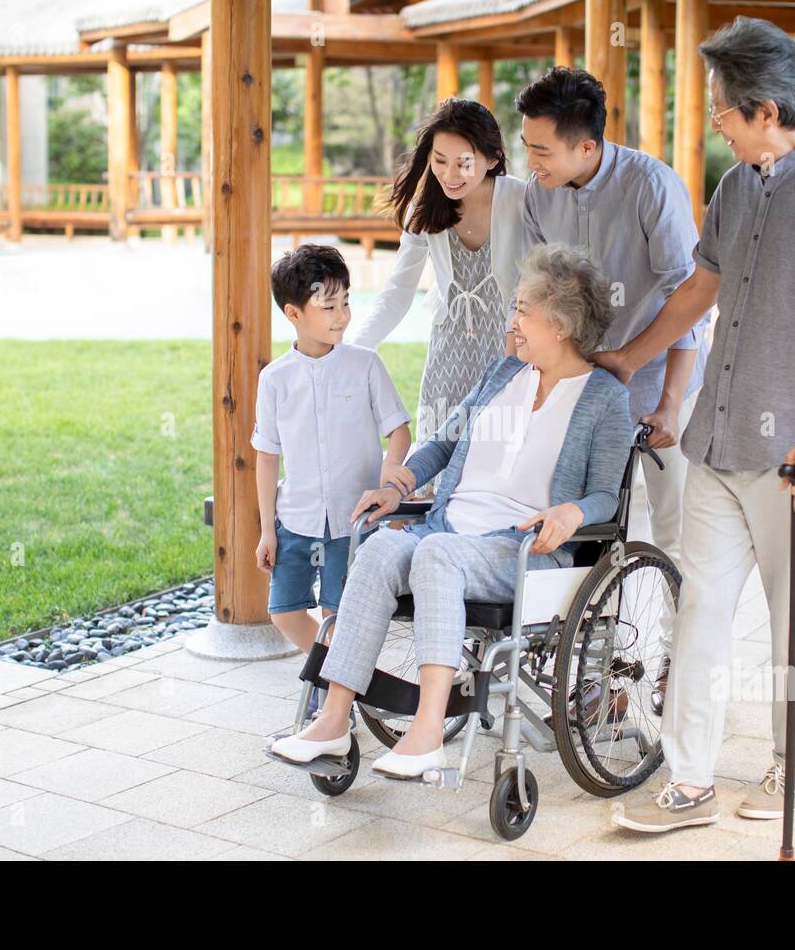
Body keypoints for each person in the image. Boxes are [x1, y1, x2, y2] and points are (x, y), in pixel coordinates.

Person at [603, 17, 795, 833]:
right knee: (700, 610)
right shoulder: (735, 188)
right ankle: (689, 782)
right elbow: (699, 291)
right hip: (717, 445)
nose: (717, 125)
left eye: (724, 112)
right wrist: (632, 357)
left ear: (766, 110)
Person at [269, 244, 631, 778]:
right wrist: (401, 483)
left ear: (560, 324)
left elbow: (605, 494)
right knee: (380, 546)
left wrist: (571, 515)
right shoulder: (503, 374)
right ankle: (333, 719)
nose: (512, 322)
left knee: (436, 553)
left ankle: (427, 730)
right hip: (447, 529)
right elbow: (444, 442)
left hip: (523, 546)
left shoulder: (603, 398)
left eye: (522, 310)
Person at [515, 67, 709, 713]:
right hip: (594, 385)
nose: (530, 161)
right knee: (597, 530)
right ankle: (603, 679)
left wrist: (670, 401)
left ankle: (674, 673)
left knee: (676, 536)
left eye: (541, 149)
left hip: (661, 381)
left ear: (586, 147)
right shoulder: (542, 196)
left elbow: (692, 297)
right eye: (527, 147)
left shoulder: (651, 186)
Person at [351, 99, 528, 494]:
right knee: (436, 471)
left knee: (494, 470)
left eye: (463, 162)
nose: (449, 174)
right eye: (439, 160)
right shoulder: (426, 208)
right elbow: (398, 291)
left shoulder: (522, 201)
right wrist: (354, 351)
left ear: (492, 159)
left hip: (508, 350)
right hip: (448, 355)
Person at [252, 244, 412, 658]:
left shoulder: (365, 364)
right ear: (293, 314)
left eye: (346, 302)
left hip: (352, 519)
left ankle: (330, 697)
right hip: (296, 518)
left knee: (336, 614)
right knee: (284, 610)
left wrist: (390, 468)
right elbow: (267, 455)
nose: (342, 315)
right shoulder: (274, 379)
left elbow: (398, 429)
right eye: (329, 307)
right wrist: (268, 529)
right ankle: (330, 676)